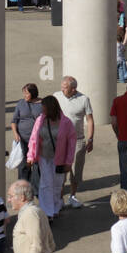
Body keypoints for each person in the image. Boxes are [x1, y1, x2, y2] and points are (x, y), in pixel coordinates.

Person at [27, 94, 76, 223]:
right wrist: (31, 155)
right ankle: (47, 212)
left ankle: (56, 207)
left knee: (56, 184)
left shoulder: (66, 123)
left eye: (44, 109)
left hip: (59, 159)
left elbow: (71, 144)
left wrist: (69, 161)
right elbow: (33, 138)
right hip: (44, 157)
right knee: (45, 184)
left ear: (51, 108)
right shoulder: (40, 120)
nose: (42, 111)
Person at [54, 76, 94, 208]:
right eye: (62, 86)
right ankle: (59, 199)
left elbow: (89, 120)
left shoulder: (84, 99)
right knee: (60, 170)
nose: (62, 89)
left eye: (65, 88)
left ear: (73, 89)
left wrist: (90, 138)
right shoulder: (56, 96)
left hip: (77, 141)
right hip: (60, 141)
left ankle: (72, 196)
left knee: (76, 170)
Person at [11, 82, 42, 183]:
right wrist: (15, 133)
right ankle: (23, 185)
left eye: (26, 93)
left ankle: (37, 188)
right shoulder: (21, 103)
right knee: (23, 165)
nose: (24, 96)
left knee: (38, 165)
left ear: (33, 93)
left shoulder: (43, 104)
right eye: (23, 93)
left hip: (38, 141)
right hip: (23, 139)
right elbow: (14, 121)